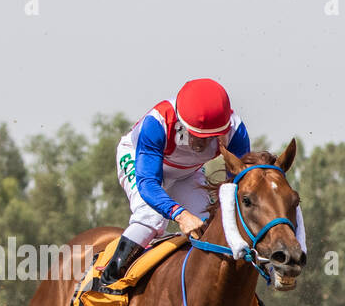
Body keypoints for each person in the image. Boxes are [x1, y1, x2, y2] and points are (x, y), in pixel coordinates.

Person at [104, 78, 252, 287]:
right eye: (196, 135)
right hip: (141, 162)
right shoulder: (158, 122)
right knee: (151, 218)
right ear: (182, 122)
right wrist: (180, 215)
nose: (201, 144)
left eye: (211, 137)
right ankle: (108, 283)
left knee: (210, 228)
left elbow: (235, 188)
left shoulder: (236, 132)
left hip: (187, 173)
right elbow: (148, 183)